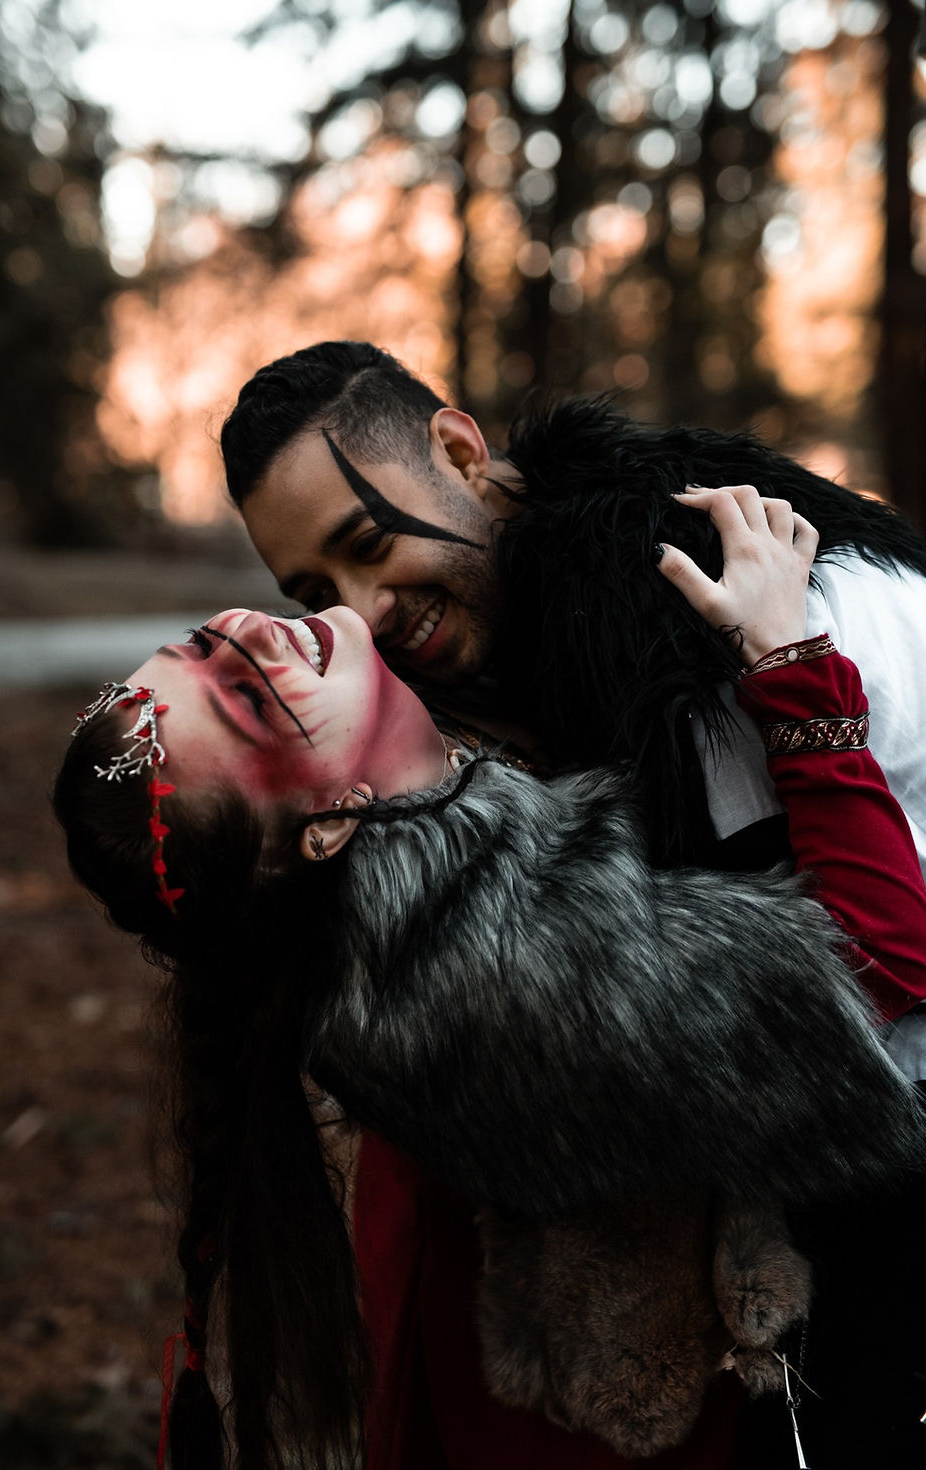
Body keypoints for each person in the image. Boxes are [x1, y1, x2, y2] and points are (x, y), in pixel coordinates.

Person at [53, 493, 926, 1470]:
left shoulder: (374, 922)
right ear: (332, 821)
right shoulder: (520, 990)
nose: (245, 630)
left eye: (202, 645)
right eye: (251, 700)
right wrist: (787, 663)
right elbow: (871, 958)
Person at [219, 339, 926, 883]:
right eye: (317, 597)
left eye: (371, 542)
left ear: (460, 452)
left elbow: (853, 968)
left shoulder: (699, 606)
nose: (360, 616)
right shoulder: (514, 660)